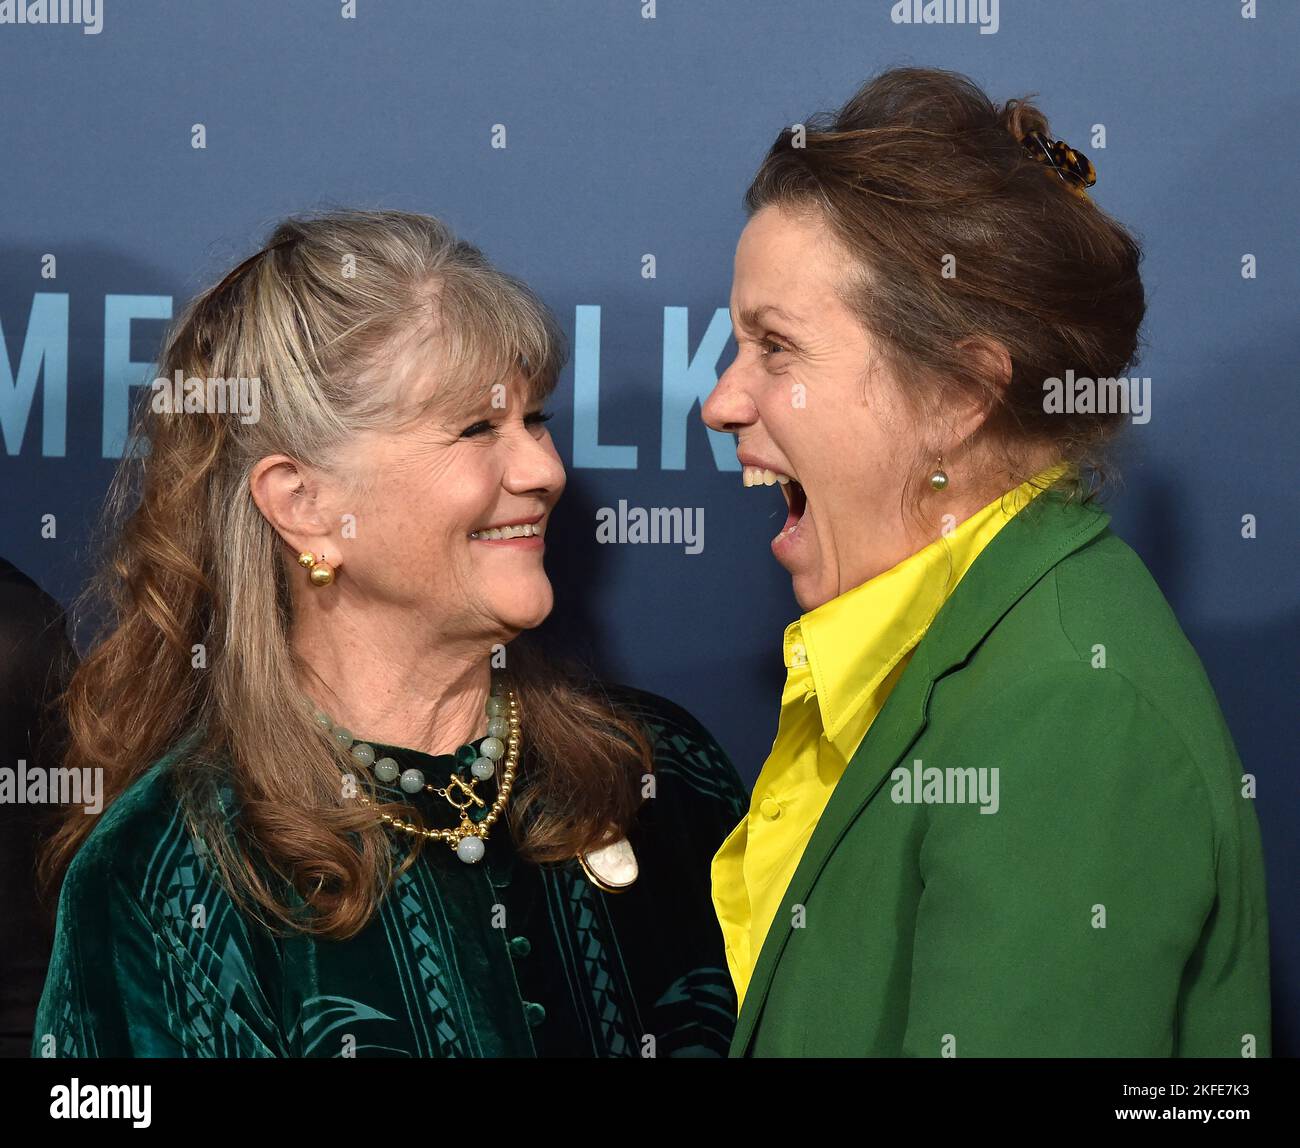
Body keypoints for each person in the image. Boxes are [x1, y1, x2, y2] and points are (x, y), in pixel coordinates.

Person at [32, 209, 746, 1058]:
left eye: (536, 420)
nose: (544, 471)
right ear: (303, 504)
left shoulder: (665, 775)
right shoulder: (165, 876)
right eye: (478, 428)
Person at [702, 67, 1270, 1057]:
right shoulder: (947, 641)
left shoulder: (1065, 707)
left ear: (959, 394)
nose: (719, 401)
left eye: (775, 349)